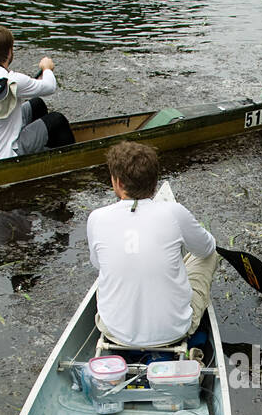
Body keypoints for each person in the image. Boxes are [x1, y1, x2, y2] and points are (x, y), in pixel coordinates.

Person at [88, 142, 219, 349]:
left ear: (118, 182)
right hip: (173, 332)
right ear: (154, 182)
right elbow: (207, 249)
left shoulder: (96, 218)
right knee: (210, 254)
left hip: (115, 333)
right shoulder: (175, 212)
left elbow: (97, 264)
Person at [0, 24, 74, 161]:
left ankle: (40, 150)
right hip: (8, 153)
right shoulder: (13, 80)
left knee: (37, 104)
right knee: (57, 119)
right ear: (10, 52)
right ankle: (70, 161)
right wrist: (47, 68)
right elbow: (50, 86)